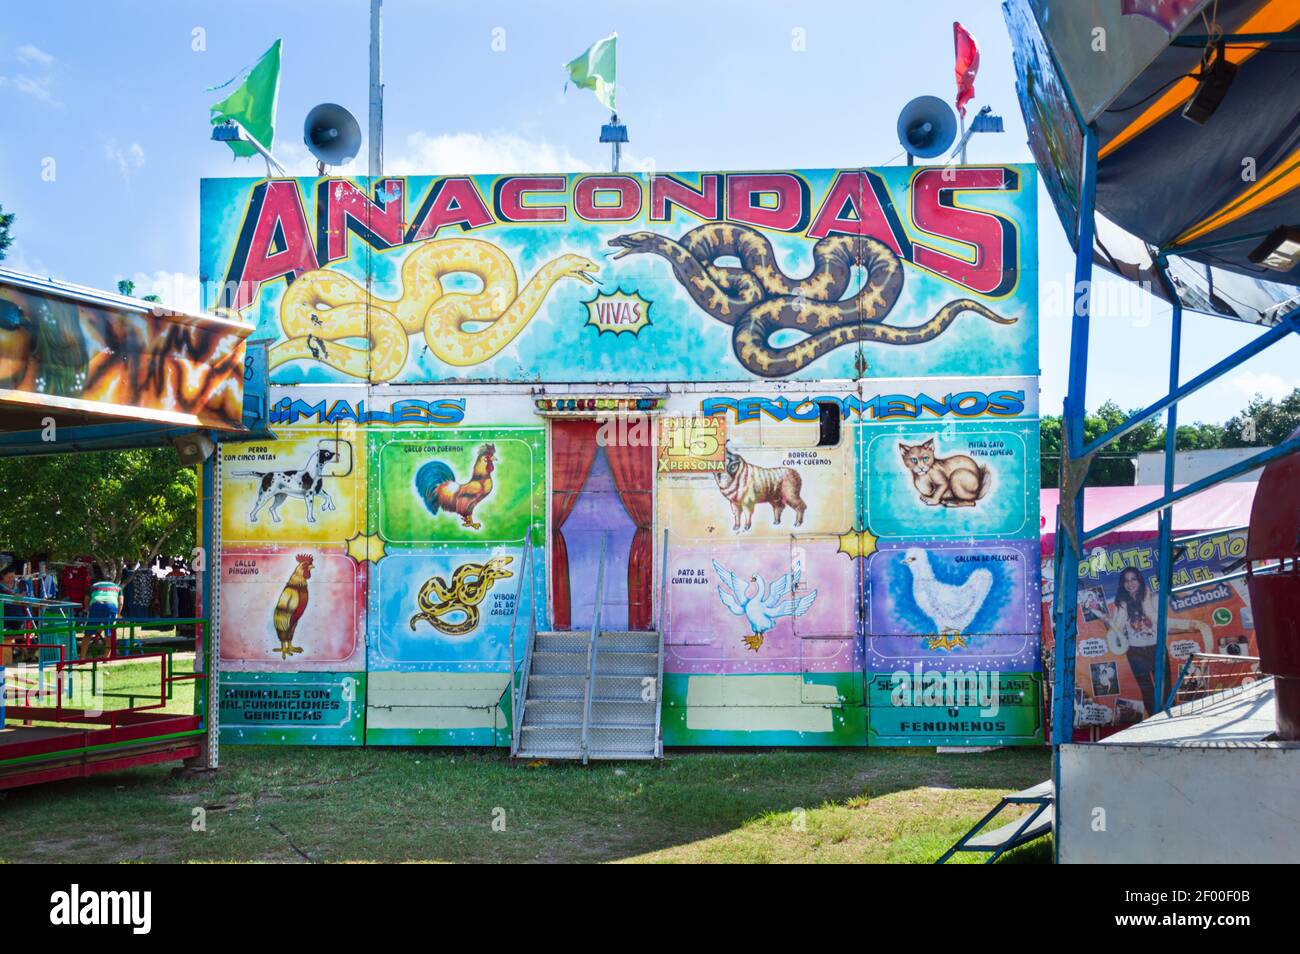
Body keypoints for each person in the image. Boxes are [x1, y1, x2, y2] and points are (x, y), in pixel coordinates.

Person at [1102, 567, 1212, 717]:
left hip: (1156, 648)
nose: (1130, 583)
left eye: (1133, 579)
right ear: (1122, 584)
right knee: (1146, 690)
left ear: (1140, 580)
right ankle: (1154, 721)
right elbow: (1116, 632)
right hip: (1135, 652)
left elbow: (1163, 626)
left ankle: (1171, 720)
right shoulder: (1120, 605)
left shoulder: (1152, 599)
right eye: (1126, 580)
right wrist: (1107, 621)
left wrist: (1191, 627)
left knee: (1166, 687)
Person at [84, 575, 124, 656]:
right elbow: (121, 602)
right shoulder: (117, 587)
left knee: (88, 634)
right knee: (109, 633)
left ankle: (82, 658)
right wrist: (117, 614)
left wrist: (88, 610)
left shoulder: (93, 586)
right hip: (111, 606)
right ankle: (106, 658)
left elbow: (86, 600)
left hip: (96, 605)